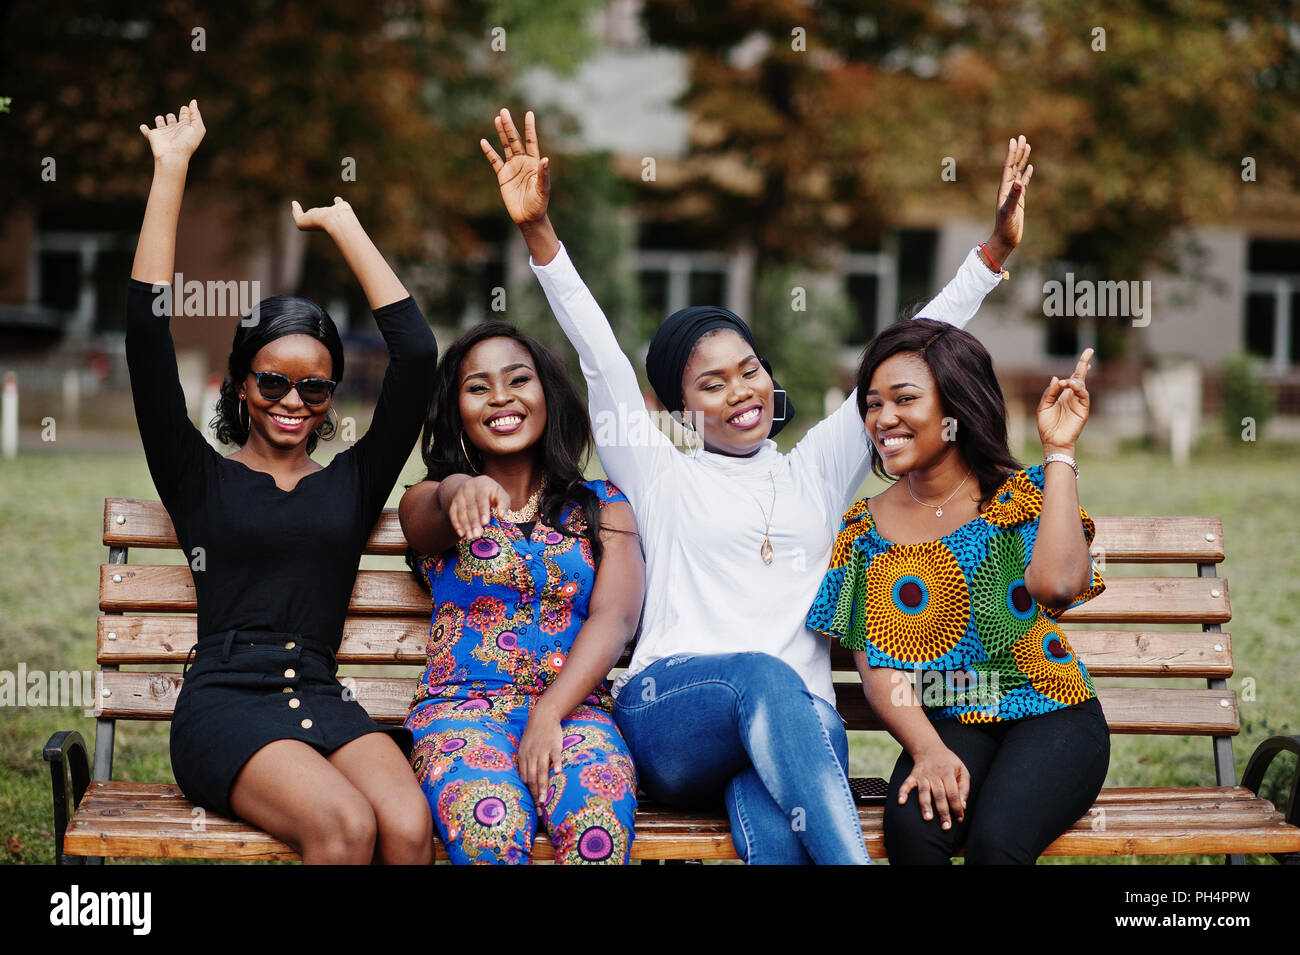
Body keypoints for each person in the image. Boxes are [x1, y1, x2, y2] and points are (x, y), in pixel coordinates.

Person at [481, 107, 1032, 863]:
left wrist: (993, 253)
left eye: (748, 370)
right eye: (711, 384)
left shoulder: (814, 467)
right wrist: (540, 232)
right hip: (677, 715)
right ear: (681, 408)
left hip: (797, 732)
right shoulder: (658, 469)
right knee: (763, 678)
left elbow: (913, 351)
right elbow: (598, 351)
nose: (739, 391)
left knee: (776, 833)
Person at [127, 100, 438, 864]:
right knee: (344, 826)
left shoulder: (353, 483)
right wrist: (170, 172)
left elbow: (420, 356)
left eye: (315, 389)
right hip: (226, 704)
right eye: (272, 383)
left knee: (407, 825)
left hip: (324, 698)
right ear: (238, 385)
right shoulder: (197, 477)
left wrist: (346, 228)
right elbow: (146, 332)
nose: (293, 403)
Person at [806, 317, 1109, 864]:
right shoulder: (865, 530)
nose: (883, 418)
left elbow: (1060, 587)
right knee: (912, 833)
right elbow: (880, 670)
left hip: (1052, 711)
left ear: (956, 408)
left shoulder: (1018, 497)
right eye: (873, 403)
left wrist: (1058, 451)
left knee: (997, 843)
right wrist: (927, 750)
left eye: (904, 399)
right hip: (950, 719)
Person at [399, 321, 644, 864]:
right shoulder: (433, 500)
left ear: (547, 396)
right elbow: (425, 517)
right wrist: (462, 487)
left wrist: (549, 714)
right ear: (456, 410)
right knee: (493, 823)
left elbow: (615, 619)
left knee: (594, 830)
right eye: (477, 387)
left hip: (576, 712)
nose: (500, 398)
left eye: (517, 380)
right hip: (460, 712)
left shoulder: (603, 506)